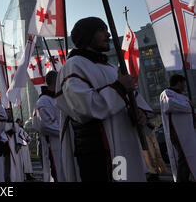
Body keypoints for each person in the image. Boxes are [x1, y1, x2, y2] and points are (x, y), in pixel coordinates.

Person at [56, 17, 149, 182]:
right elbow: (83, 107)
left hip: (125, 149)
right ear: (87, 35)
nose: (108, 35)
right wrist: (120, 88)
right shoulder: (74, 65)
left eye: (107, 30)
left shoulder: (113, 69)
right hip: (98, 152)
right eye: (101, 30)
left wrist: (139, 114)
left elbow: (134, 103)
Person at [160, 74, 196, 182]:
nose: (184, 85)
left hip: (188, 133)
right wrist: (189, 106)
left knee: (189, 157)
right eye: (183, 83)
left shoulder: (184, 97)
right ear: (179, 82)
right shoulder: (166, 93)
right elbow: (169, 105)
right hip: (177, 133)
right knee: (184, 157)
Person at [33, 73, 64, 182]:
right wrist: (66, 131)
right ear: (55, 81)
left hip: (64, 143)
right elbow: (45, 126)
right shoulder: (44, 101)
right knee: (58, 175)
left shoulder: (58, 97)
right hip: (54, 145)